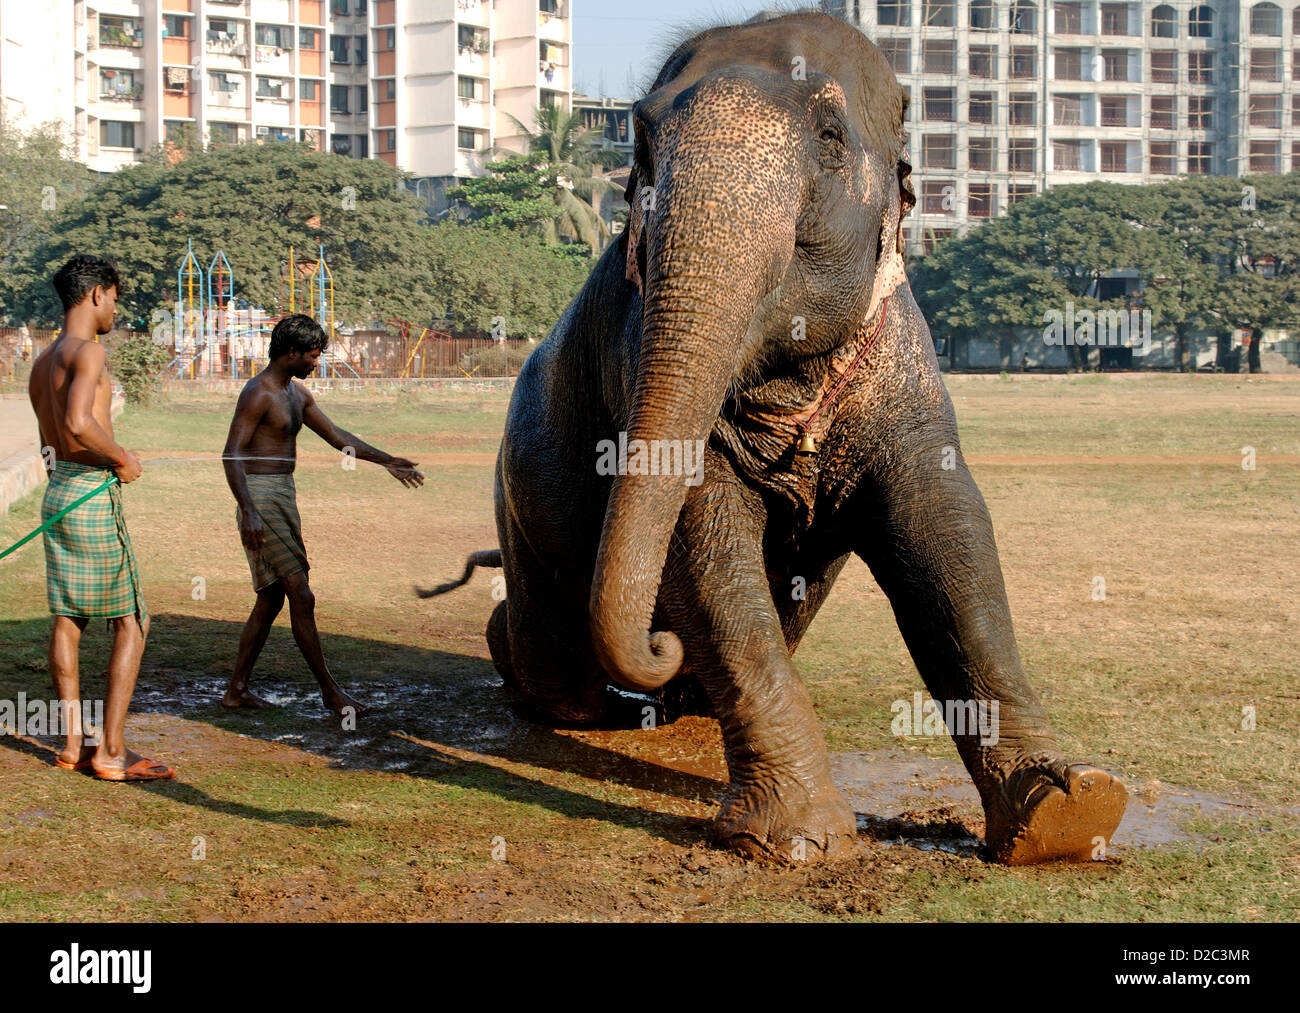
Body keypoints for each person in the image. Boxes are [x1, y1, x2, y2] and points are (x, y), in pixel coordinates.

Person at [221, 313, 424, 714]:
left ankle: (236, 690)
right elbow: (231, 455)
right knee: (301, 593)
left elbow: (338, 438)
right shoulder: (258, 392)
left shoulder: (297, 395)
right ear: (291, 353)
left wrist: (387, 461)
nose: (317, 363)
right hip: (261, 497)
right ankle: (331, 693)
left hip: (283, 494)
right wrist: (248, 510)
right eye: (312, 356)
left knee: (271, 598)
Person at [27, 254, 174, 781]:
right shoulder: (88, 352)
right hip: (90, 496)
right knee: (133, 620)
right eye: (115, 296)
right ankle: (111, 750)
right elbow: (78, 423)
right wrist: (121, 458)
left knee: (69, 618)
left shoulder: (44, 360)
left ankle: (71, 744)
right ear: (96, 294)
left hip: (59, 491)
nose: (116, 307)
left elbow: (54, 440)